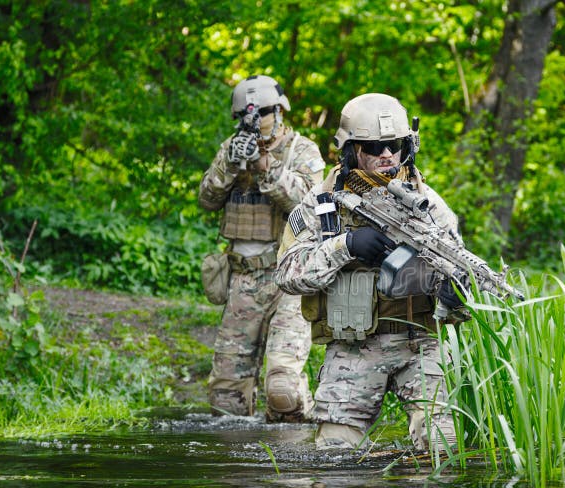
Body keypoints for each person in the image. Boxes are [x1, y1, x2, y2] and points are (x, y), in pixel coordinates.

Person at [274, 93, 463, 450]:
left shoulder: (428, 203)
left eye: (393, 145)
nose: (386, 155)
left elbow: (461, 277)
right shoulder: (323, 203)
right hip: (354, 347)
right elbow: (286, 272)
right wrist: (344, 246)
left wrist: (455, 296)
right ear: (351, 149)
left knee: (443, 445)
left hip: (421, 343)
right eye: (374, 146)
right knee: (336, 455)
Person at [198, 75, 325, 421]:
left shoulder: (302, 150)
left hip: (290, 278)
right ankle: (238, 468)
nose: (258, 120)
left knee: (283, 389)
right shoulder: (230, 148)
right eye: (248, 114)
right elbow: (207, 200)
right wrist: (230, 166)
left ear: (280, 111)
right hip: (242, 278)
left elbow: (309, 203)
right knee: (225, 397)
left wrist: (266, 167)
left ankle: (293, 464)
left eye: (266, 111)